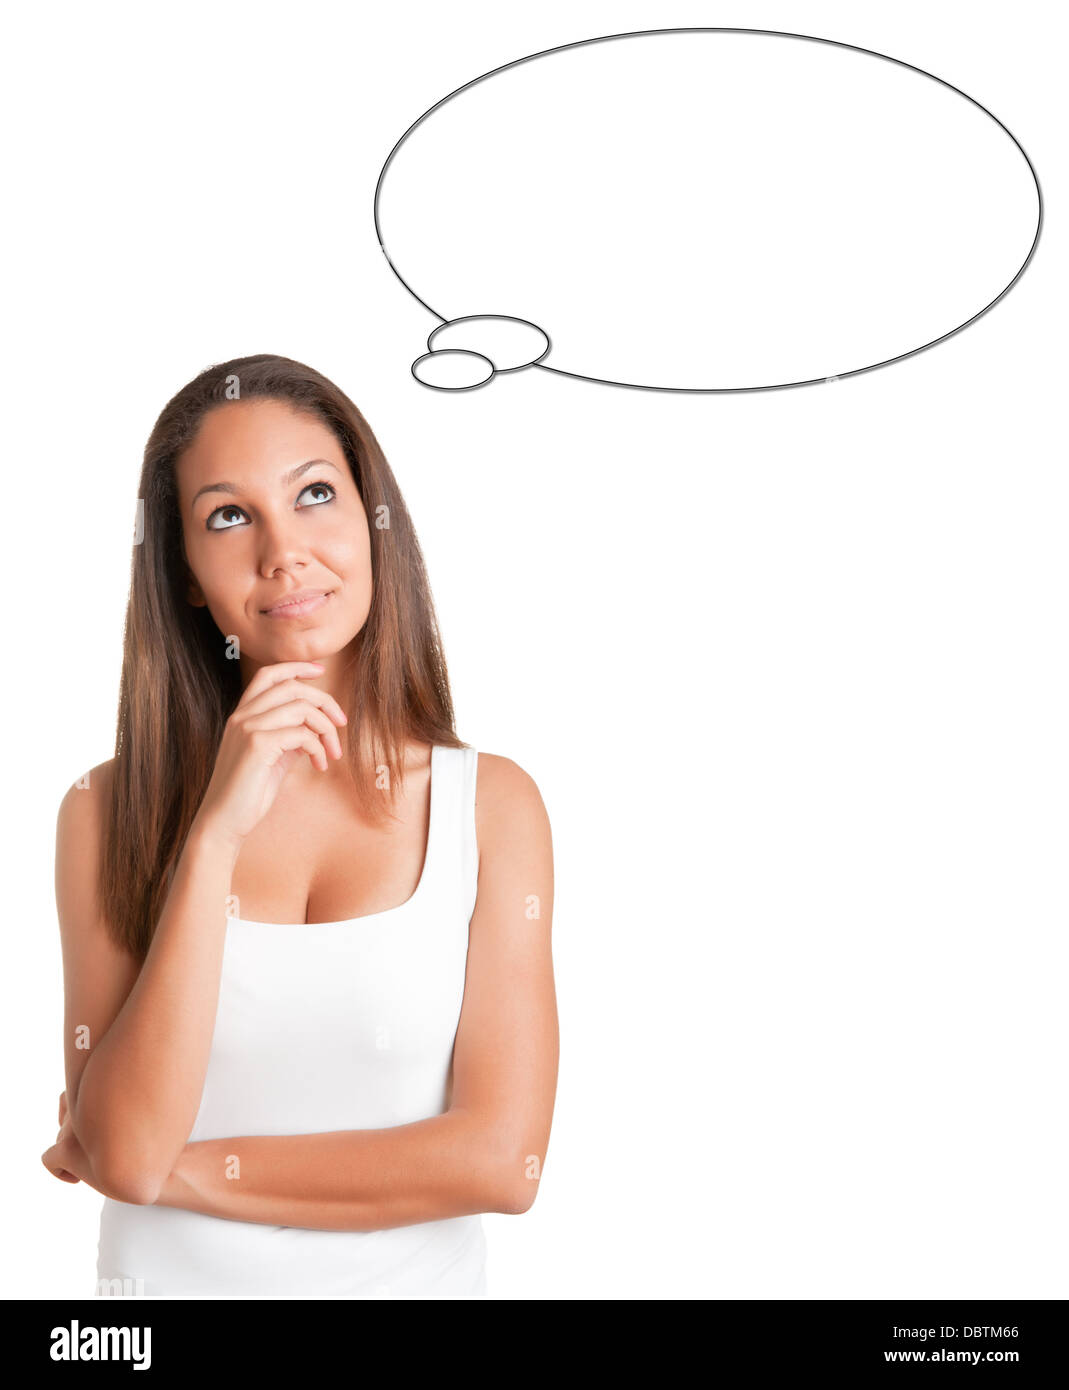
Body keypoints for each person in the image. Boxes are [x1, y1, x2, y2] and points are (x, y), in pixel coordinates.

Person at [41, 353, 558, 1298]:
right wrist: (211, 840)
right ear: (188, 575)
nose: (282, 551)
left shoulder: (491, 806)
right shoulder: (104, 810)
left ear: (373, 521)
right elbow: (122, 1146)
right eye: (228, 516)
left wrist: (182, 1171)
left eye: (314, 493)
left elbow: (501, 1163)